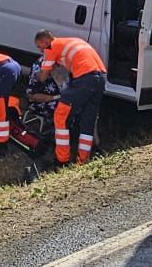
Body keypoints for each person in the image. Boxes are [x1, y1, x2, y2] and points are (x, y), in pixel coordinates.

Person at [32, 29, 106, 165]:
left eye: (39, 47)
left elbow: (42, 76)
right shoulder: (72, 41)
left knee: (60, 116)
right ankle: (82, 160)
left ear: (45, 41)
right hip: (99, 78)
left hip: (84, 79)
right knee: (87, 121)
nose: (41, 51)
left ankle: (62, 159)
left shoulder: (51, 47)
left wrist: (37, 75)